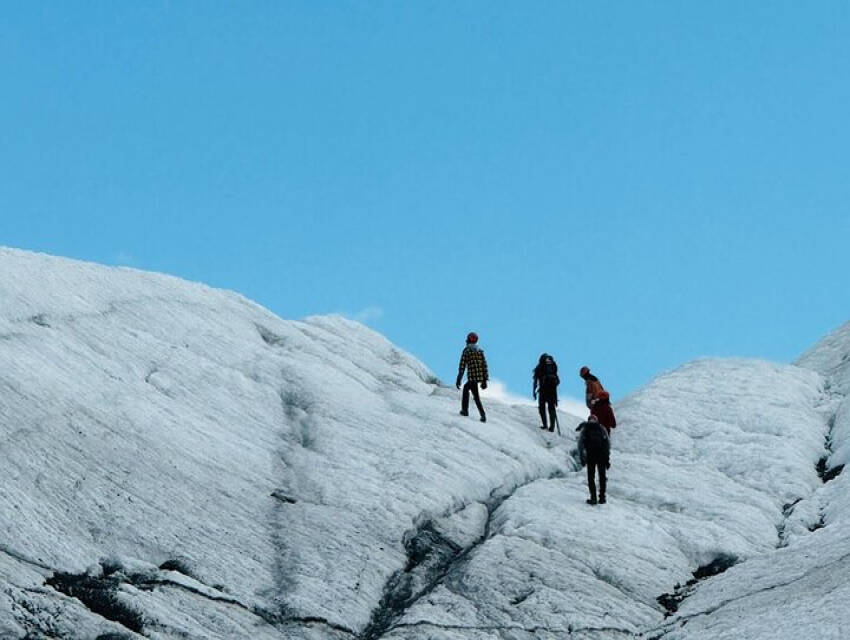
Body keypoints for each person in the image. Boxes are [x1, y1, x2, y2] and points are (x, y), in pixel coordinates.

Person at [576, 415, 610, 505]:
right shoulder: (601, 428)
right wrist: (607, 459)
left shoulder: (585, 429)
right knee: (602, 476)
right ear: (596, 420)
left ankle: (593, 498)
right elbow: (607, 444)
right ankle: (602, 498)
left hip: (591, 456)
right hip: (601, 455)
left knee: (591, 477)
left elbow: (580, 445)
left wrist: (582, 458)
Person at [456, 332, 489, 422]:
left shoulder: (467, 351)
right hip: (478, 378)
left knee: (467, 389)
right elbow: (484, 366)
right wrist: (484, 380)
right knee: (475, 396)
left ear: (468, 340)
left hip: (472, 378)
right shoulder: (480, 351)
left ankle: (465, 410)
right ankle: (482, 415)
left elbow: (462, 365)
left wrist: (459, 378)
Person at [532, 353, 560, 432]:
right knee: (551, 407)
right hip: (552, 390)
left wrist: (534, 392)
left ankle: (545, 425)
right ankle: (552, 427)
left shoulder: (540, 367)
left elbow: (535, 380)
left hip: (543, 390)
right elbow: (558, 380)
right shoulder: (553, 366)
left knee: (542, 407)